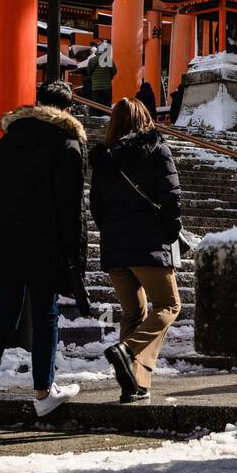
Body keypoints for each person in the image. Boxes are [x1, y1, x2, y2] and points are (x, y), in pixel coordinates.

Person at [0, 80, 87, 428]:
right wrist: (74, 254)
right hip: (45, 243)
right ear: (66, 110)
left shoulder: (7, 143)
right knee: (46, 314)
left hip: (5, 241)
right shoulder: (67, 145)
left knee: (4, 313)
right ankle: (43, 393)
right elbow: (70, 206)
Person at [89, 97, 182, 402]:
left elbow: (96, 207)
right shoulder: (157, 150)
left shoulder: (104, 160)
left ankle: (134, 384)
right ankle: (127, 350)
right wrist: (171, 230)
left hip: (115, 247)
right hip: (148, 242)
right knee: (169, 306)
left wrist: (113, 232)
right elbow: (171, 197)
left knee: (132, 313)